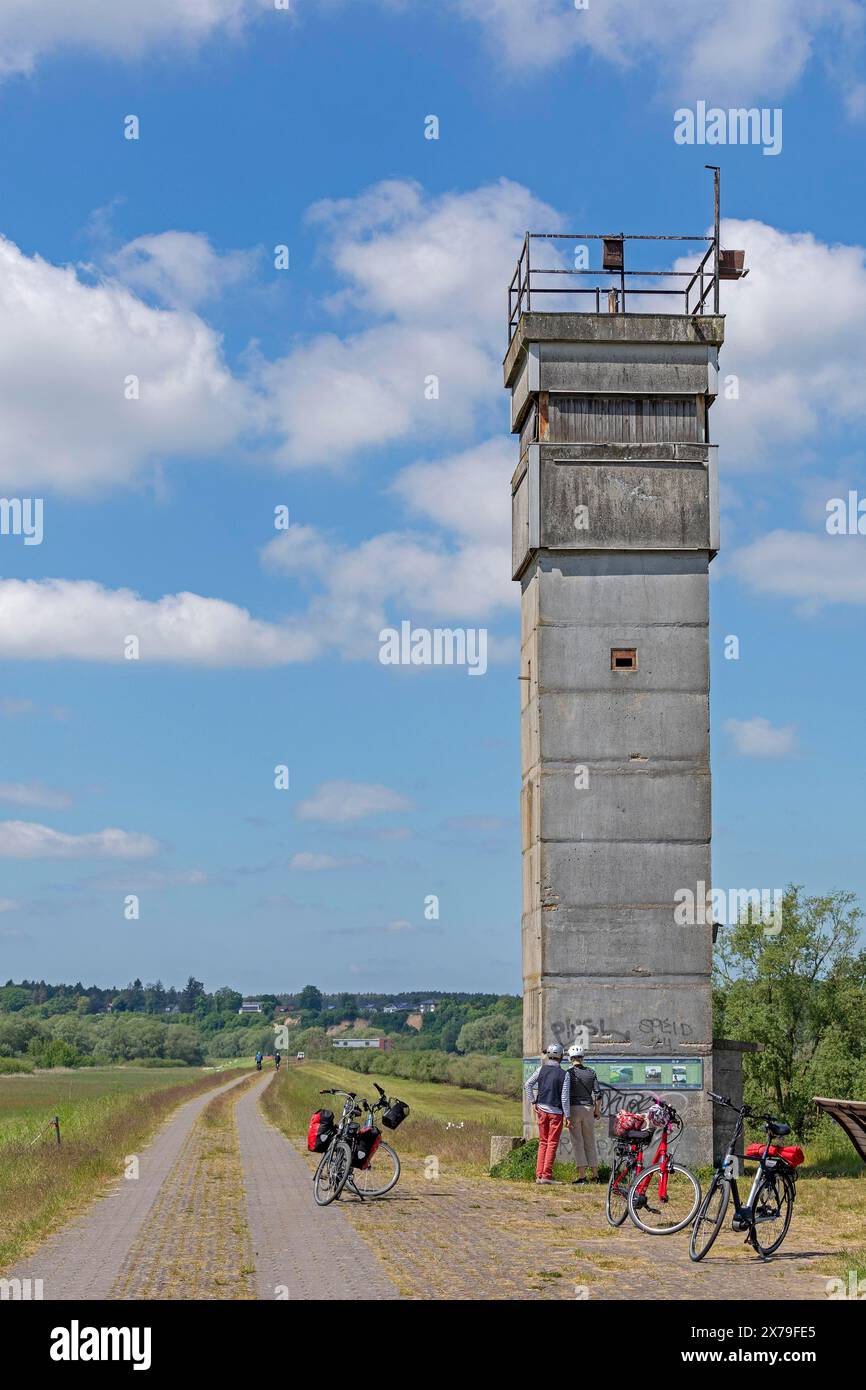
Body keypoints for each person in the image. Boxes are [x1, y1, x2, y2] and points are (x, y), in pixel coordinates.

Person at [524, 1043, 569, 1184]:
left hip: (542, 1110)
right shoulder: (564, 1074)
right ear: (561, 1056)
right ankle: (547, 1176)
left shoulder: (540, 1069)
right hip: (556, 1112)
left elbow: (528, 1084)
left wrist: (533, 1101)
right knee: (552, 1143)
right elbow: (564, 1097)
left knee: (543, 1142)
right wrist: (568, 1116)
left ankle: (539, 1175)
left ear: (548, 1055)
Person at [563, 1042, 601, 1183]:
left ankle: (582, 1176)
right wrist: (597, 1111)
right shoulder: (591, 1072)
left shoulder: (568, 1073)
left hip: (573, 1109)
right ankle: (596, 1175)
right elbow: (598, 1094)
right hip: (588, 1109)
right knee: (590, 1141)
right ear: (582, 1057)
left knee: (578, 1142)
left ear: (570, 1058)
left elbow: (564, 1094)